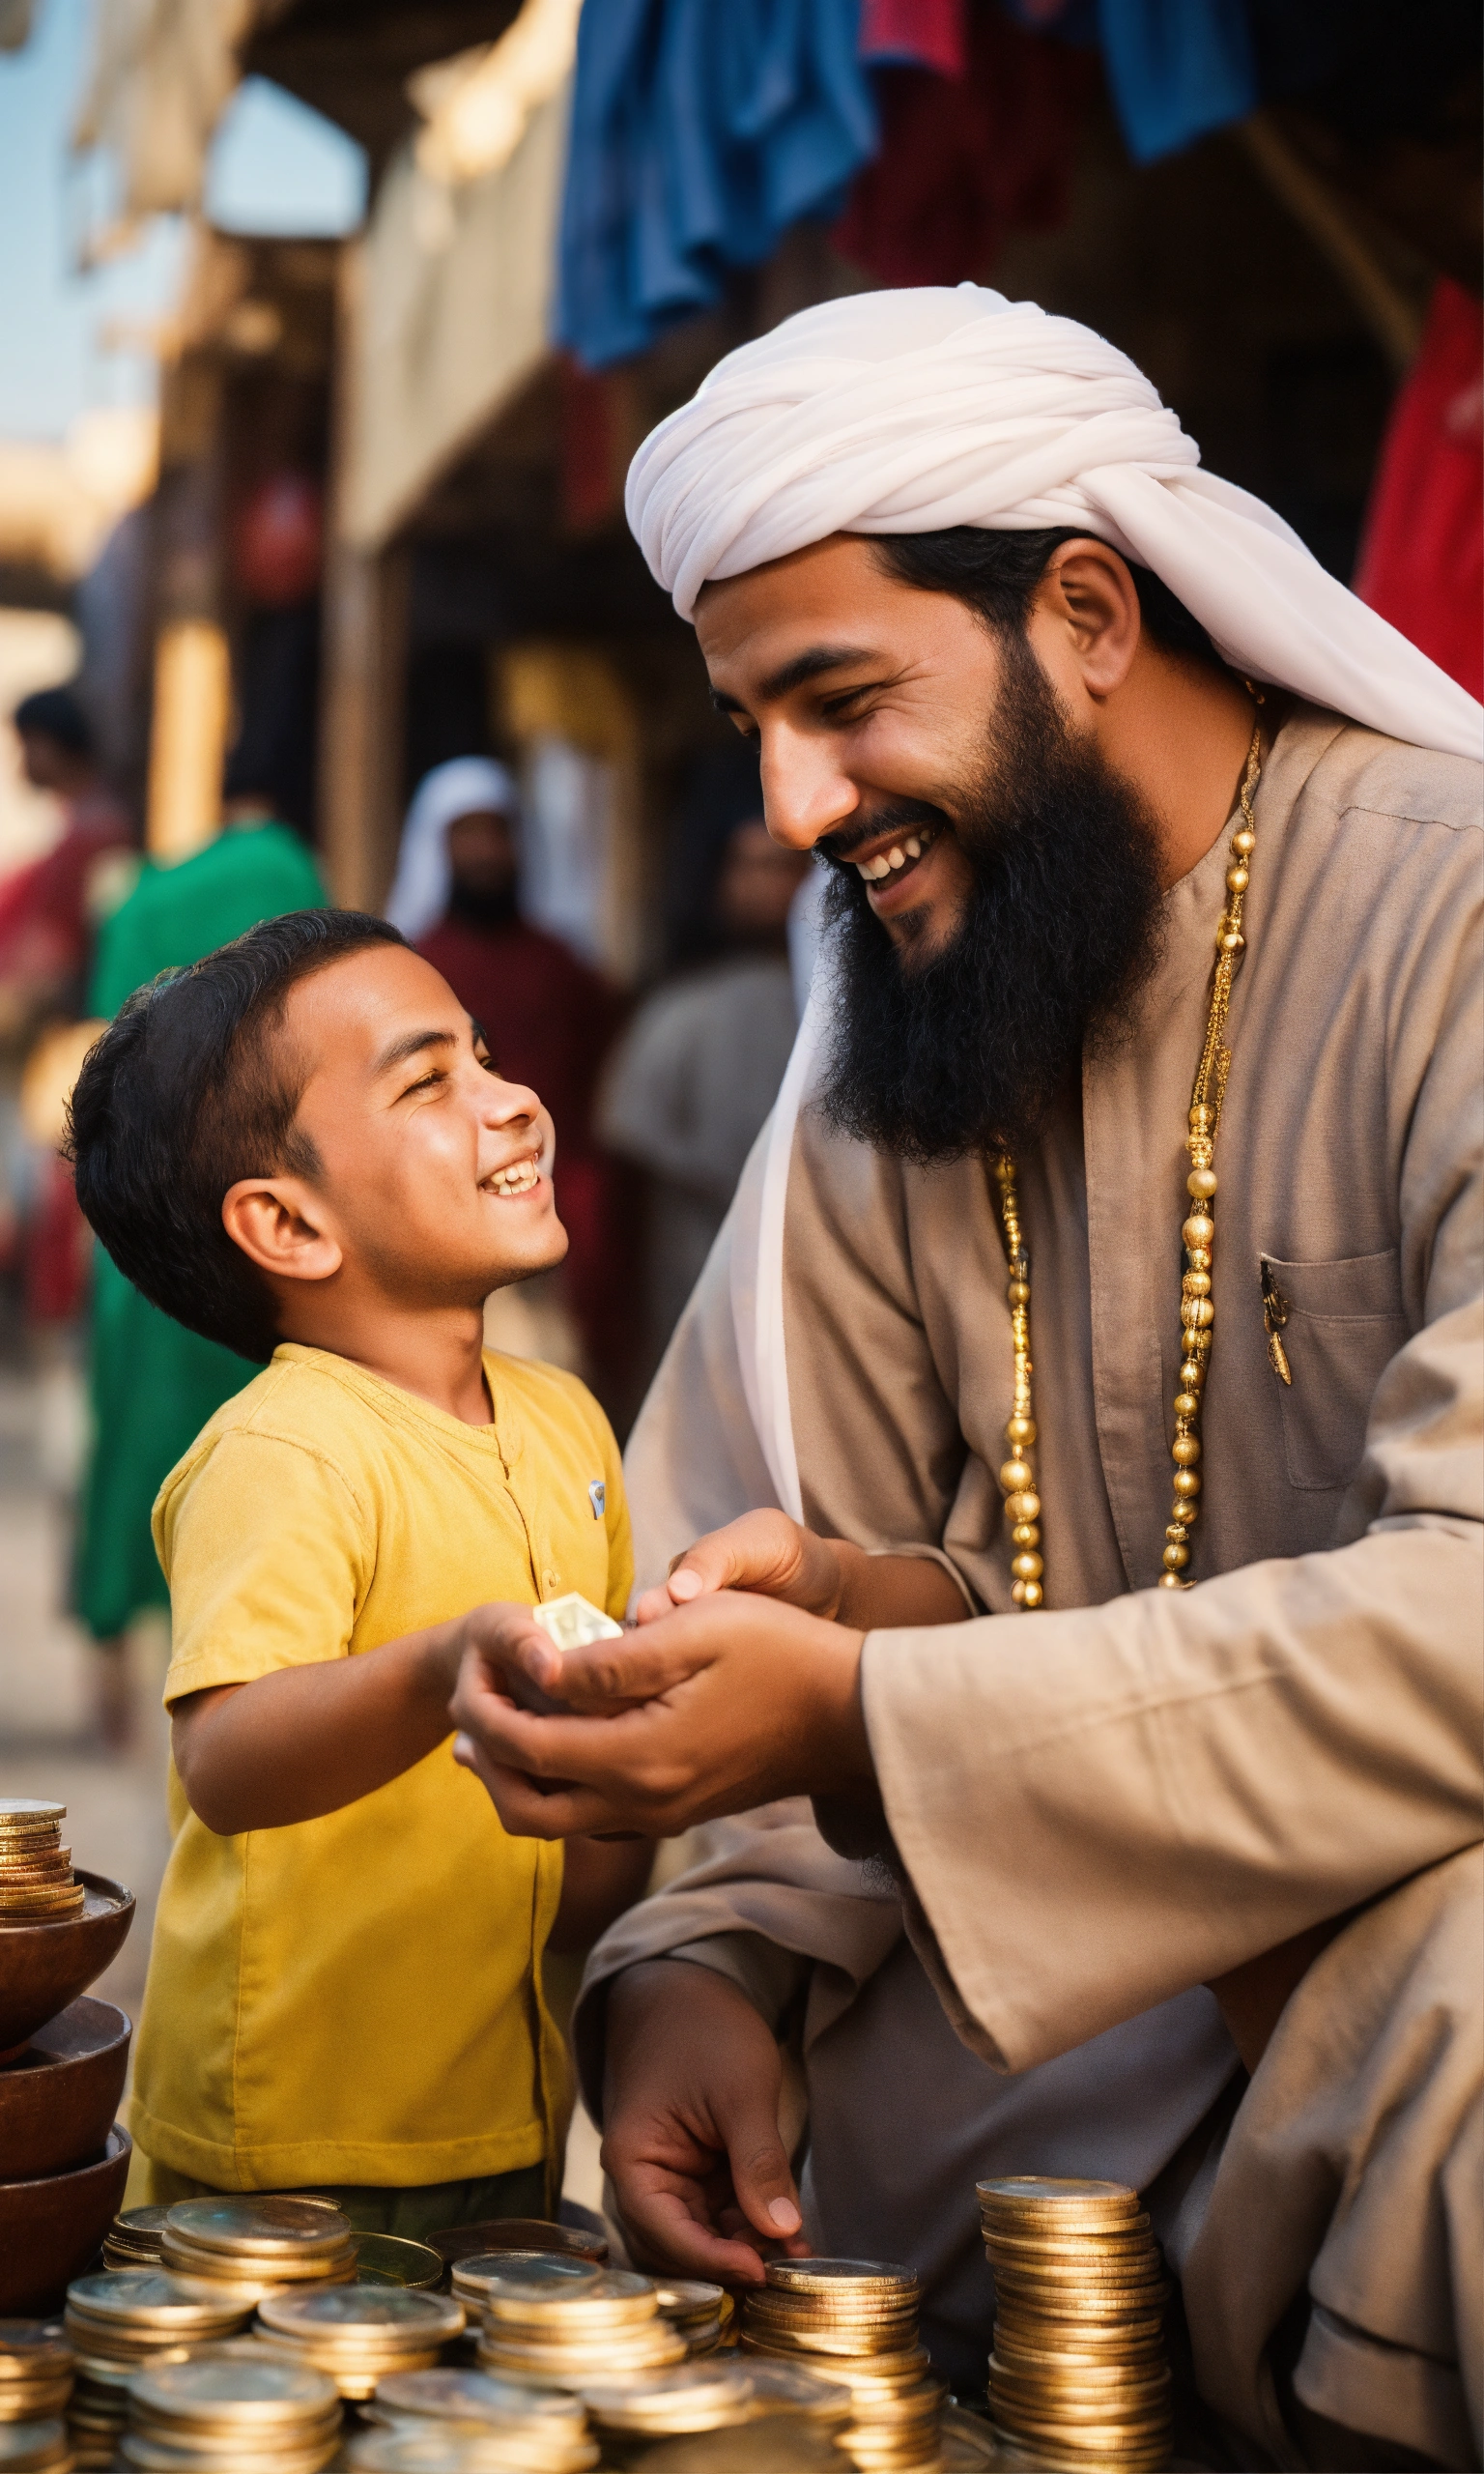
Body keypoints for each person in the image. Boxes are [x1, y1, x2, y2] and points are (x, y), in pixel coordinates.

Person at [446, 288, 1483, 2469]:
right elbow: (752, 1533)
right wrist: (698, 1967)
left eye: (840, 700)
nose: (795, 801)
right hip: (1042, 1990)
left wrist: (870, 1710)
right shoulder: (907, 1009)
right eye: (748, 721)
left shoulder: (1449, 923)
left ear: (1090, 609)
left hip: (1403, 1959)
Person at [67, 908, 648, 2228]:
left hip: (509, 2111)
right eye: (430, 1082)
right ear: (287, 1223)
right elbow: (227, 1756)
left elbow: (597, 1838)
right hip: (289, 2148)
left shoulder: (567, 1423)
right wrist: (443, 1668)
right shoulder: (286, 1451)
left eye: (488, 1058)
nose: (515, 1104)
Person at [72, 769, 327, 1745]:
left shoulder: (147, 899)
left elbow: (102, 1042)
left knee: (132, 1445)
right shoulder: (299, 878)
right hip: (273, 1217)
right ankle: (264, 1672)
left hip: (147, 1219)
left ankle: (112, 1679)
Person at [387, 759, 626, 1394]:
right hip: (444, 1217)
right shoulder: (412, 968)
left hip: (555, 1213)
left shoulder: (563, 969)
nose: (486, 851)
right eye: (468, 834)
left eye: (498, 832)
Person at [597, 748, 810, 1367]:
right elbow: (629, 1130)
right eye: (752, 867)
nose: (770, 886)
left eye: (784, 868)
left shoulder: (842, 1009)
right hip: (699, 1266)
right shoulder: (679, 1011)